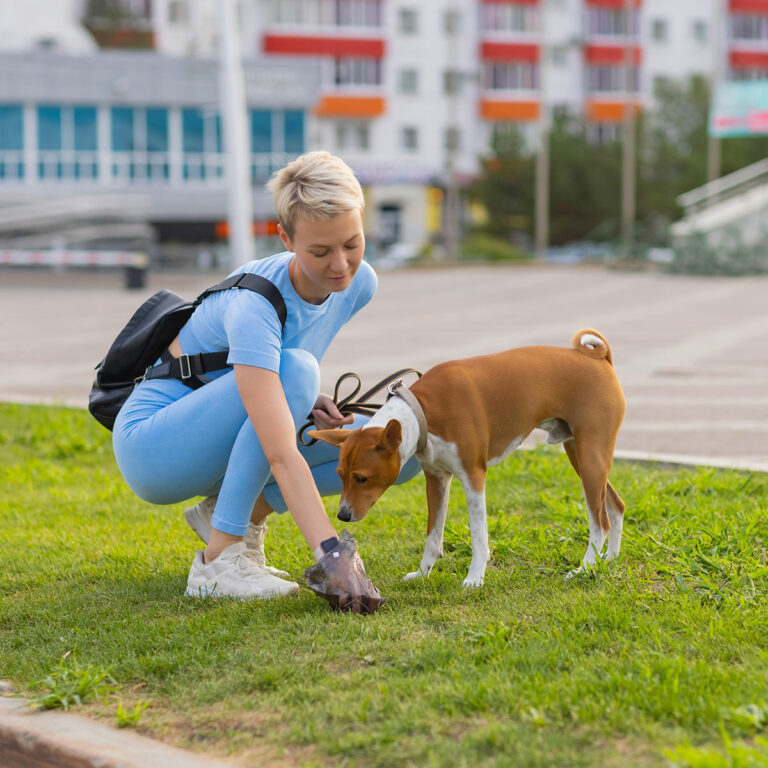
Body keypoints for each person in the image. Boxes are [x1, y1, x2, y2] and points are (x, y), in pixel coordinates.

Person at [112, 151, 421, 605]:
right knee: (296, 372)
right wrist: (333, 556)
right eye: (320, 251)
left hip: (225, 420)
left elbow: (275, 368)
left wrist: (304, 396)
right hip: (155, 446)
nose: (340, 264)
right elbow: (278, 446)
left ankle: (230, 513)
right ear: (286, 238)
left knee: (400, 453)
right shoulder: (255, 305)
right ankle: (219, 561)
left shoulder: (360, 283)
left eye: (352, 243)